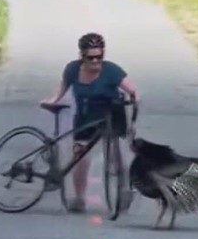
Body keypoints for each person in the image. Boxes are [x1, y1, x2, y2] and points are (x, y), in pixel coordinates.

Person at [41, 32, 140, 212]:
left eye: (99, 57)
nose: (95, 61)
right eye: (90, 58)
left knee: (115, 155)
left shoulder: (112, 71)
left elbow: (133, 90)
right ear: (82, 56)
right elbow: (61, 90)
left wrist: (134, 104)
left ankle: (124, 188)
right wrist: (53, 101)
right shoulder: (72, 69)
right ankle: (79, 199)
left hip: (110, 113)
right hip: (86, 115)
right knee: (79, 155)